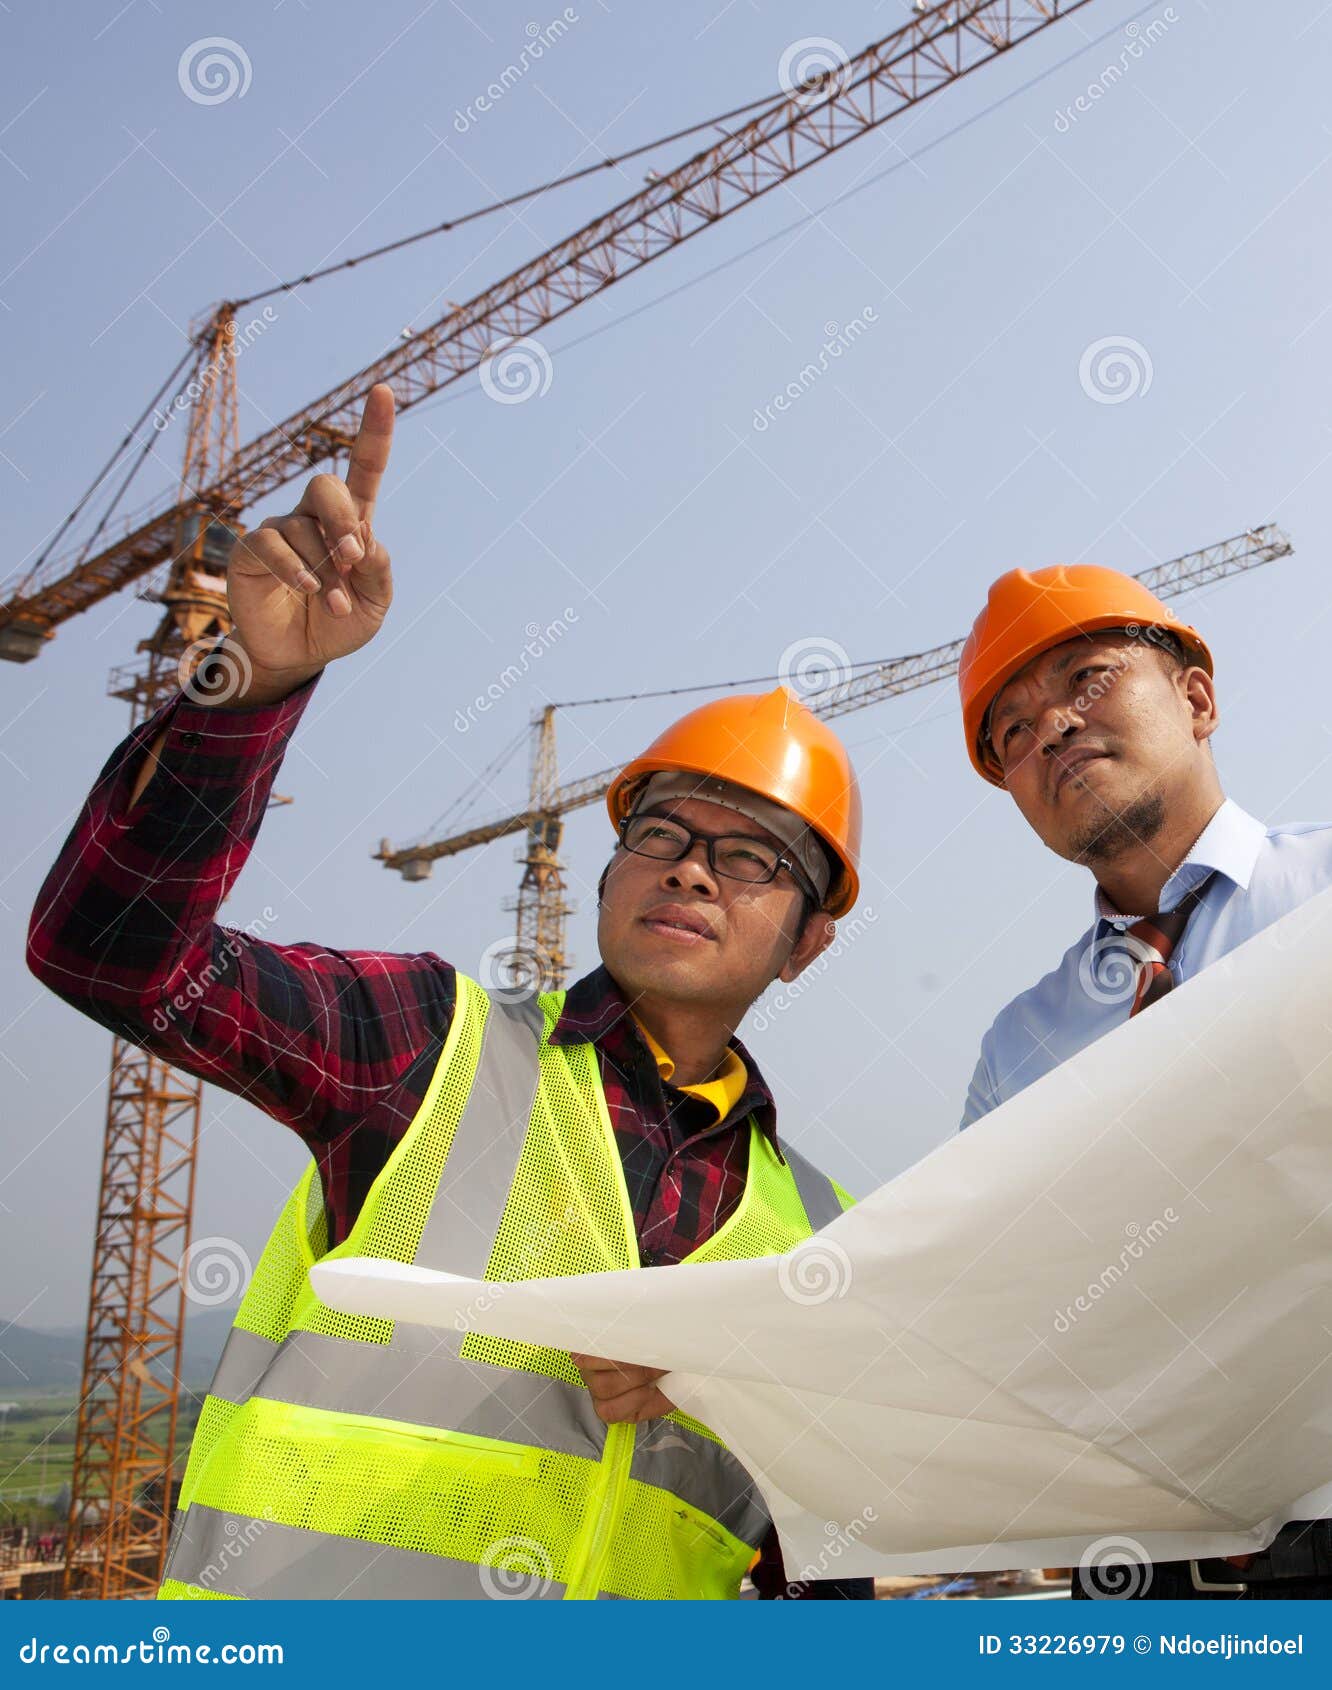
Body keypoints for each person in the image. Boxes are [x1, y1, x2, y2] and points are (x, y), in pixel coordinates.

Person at [27, 384, 873, 1602]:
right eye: (663, 832)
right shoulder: (429, 1045)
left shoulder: (819, 1238)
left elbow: (834, 1568)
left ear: (807, 943)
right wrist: (245, 689)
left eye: (752, 858)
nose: (691, 863)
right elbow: (111, 950)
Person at [957, 561, 1332, 1600]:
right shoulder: (1020, 1048)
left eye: (1088, 680)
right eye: (1013, 733)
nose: (1054, 731)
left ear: (1198, 698)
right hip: (1138, 1565)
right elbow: (982, 1304)